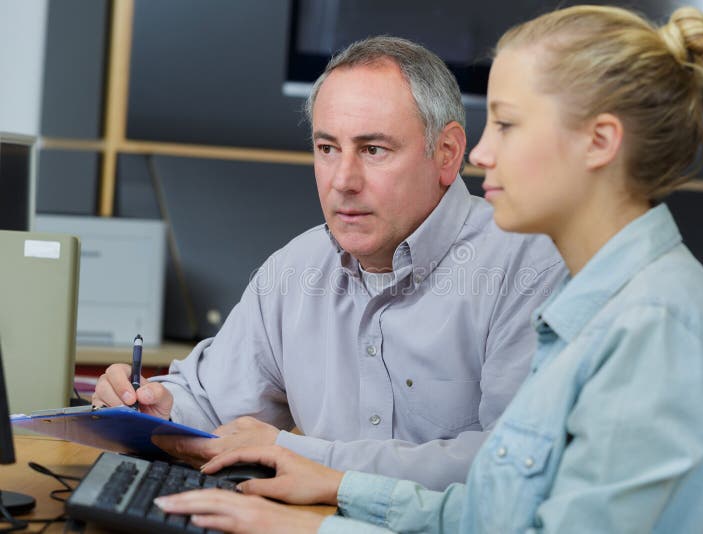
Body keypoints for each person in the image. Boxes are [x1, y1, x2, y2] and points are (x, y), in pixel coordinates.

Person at [152, 5, 703, 533]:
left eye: (507, 125)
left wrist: (307, 529)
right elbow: (493, 513)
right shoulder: (604, 300)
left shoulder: (651, 321)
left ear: (599, 142)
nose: (482, 155)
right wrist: (338, 489)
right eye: (326, 147)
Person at [92, 36, 565, 490]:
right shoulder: (294, 269)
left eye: (373, 150)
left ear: (447, 154)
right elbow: (211, 404)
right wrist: (154, 409)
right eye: (327, 149)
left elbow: (511, 464)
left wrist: (301, 457)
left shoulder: (529, 266)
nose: (343, 181)